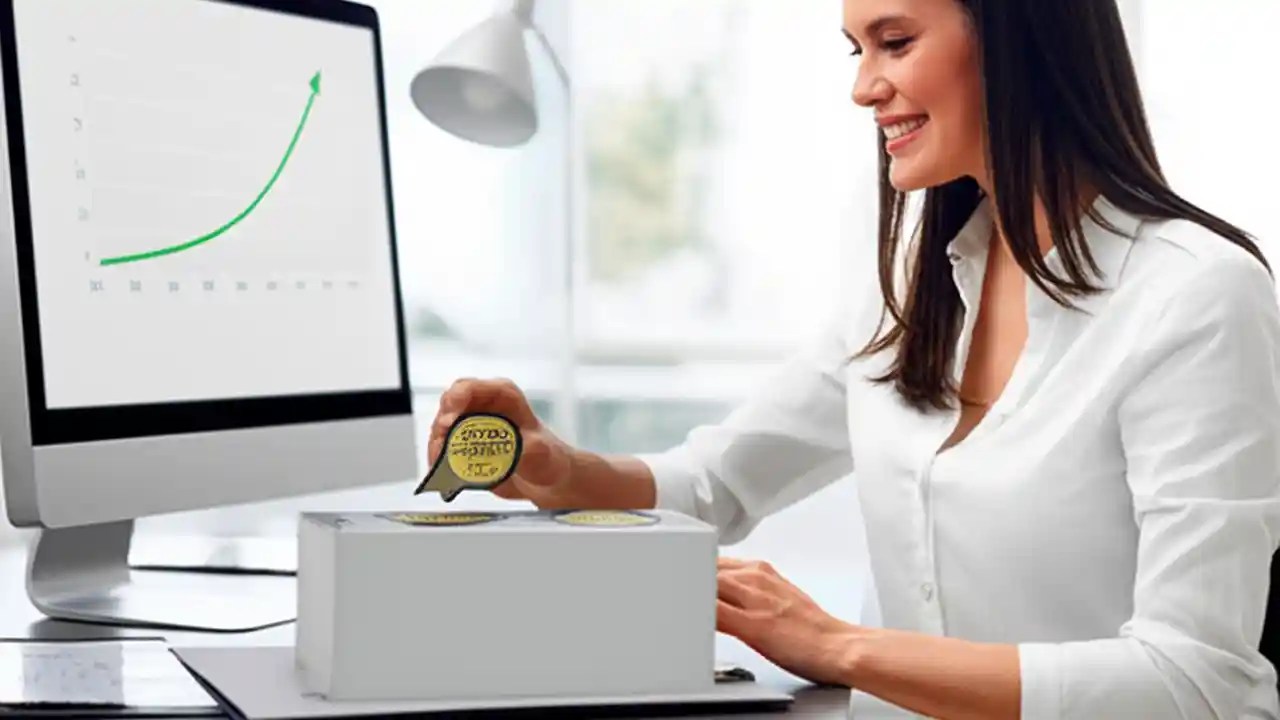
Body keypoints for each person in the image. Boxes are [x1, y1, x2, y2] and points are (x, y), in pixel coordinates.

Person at [426, 0, 1280, 717]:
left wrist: (837, 646)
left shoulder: (1196, 295)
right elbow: (716, 484)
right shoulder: (906, 283)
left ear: (1019, 37)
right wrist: (559, 468)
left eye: (895, 42)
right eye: (856, 49)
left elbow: (1194, 677)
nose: (864, 86)